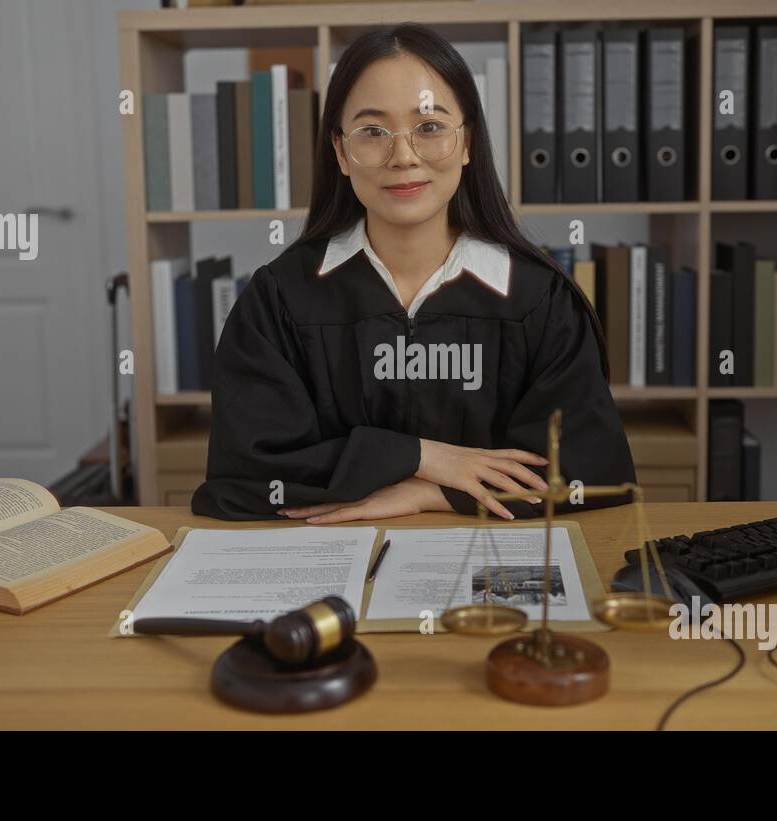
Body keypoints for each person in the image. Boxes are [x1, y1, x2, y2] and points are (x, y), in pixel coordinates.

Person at [191, 23, 635, 523]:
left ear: (466, 142)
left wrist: (432, 494)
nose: (403, 157)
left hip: (489, 577)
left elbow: (589, 471)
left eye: (429, 127)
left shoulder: (540, 300)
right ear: (340, 151)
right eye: (372, 132)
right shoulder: (279, 300)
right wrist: (422, 456)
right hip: (333, 572)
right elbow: (244, 478)